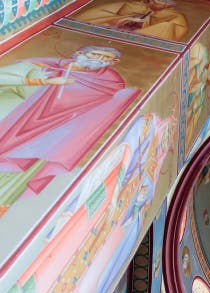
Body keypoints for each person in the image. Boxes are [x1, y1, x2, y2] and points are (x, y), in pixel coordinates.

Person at [0, 45, 139, 216]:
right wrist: (44, 82)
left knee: (23, 168)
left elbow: (99, 104)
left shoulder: (109, 80)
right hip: (17, 120)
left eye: (106, 58)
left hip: (55, 131)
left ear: (113, 62)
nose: (99, 59)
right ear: (80, 53)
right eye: (96, 54)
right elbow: (8, 77)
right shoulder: (46, 65)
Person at [75, 0, 189, 41]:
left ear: (165, 5)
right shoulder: (143, 5)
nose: (151, 3)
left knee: (165, 27)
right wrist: (130, 17)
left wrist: (142, 21)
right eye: (150, 1)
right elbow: (126, 9)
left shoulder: (173, 15)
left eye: (156, 2)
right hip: (122, 25)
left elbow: (172, 27)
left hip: (143, 31)